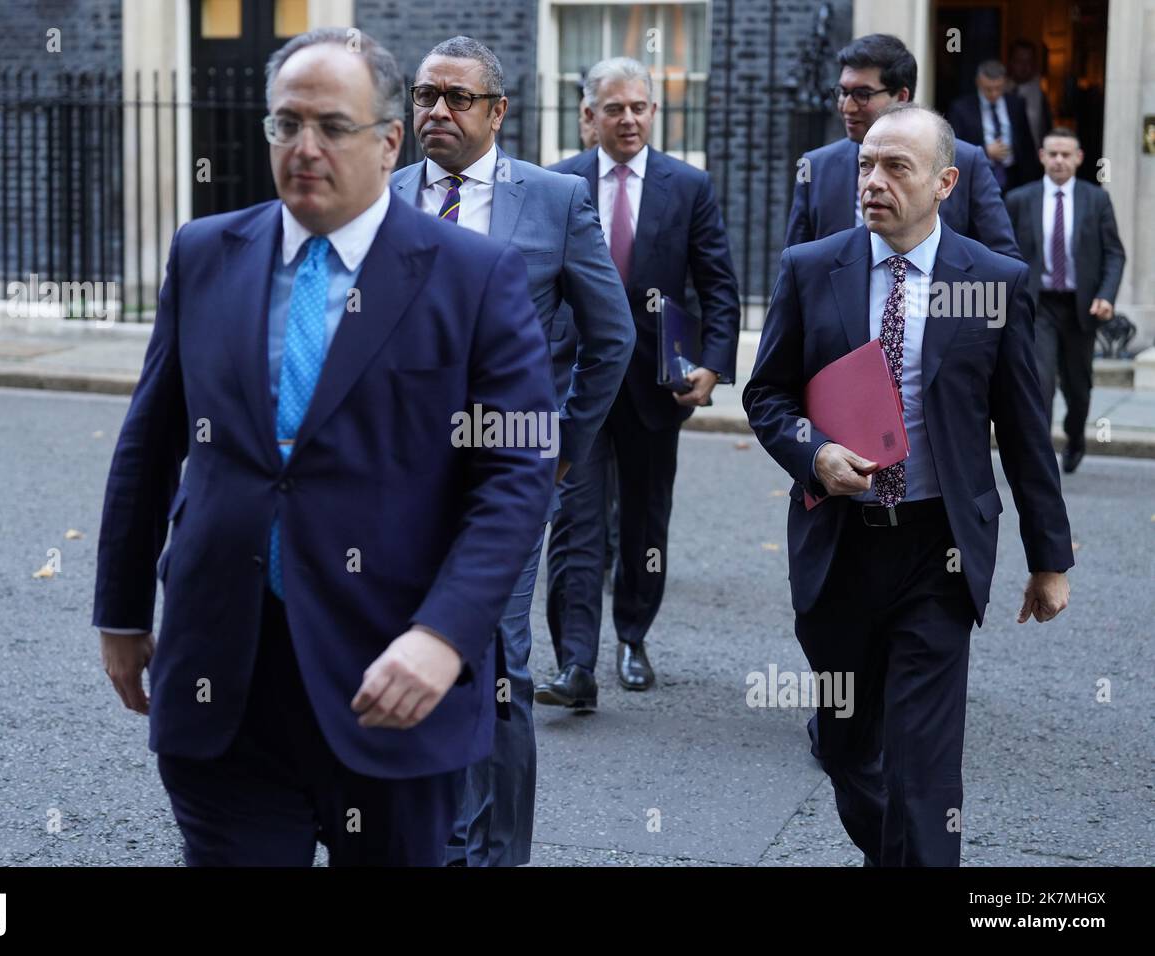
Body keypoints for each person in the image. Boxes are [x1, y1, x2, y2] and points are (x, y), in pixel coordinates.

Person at [93, 27, 557, 867]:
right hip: (224, 670)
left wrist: (444, 636)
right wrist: (121, 610)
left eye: (332, 127)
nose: (304, 148)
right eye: (285, 124)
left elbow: (515, 477)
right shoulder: (205, 254)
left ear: (388, 141)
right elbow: (150, 441)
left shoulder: (472, 276)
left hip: (391, 675)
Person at [743, 103, 1074, 866]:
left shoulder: (992, 282)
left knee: (924, 772)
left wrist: (1049, 559)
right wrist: (815, 453)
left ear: (944, 183)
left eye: (897, 167)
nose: (874, 181)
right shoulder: (811, 267)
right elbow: (767, 397)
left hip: (938, 550)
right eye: (866, 164)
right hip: (840, 547)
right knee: (848, 749)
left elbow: (1025, 430)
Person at [390, 35, 634, 867]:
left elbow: (612, 337)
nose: (437, 112)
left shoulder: (555, 200)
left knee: (495, 656)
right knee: (398, 642)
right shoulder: (379, 197)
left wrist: (562, 446)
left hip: (504, 473)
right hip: (391, 478)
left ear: (498, 111)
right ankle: (421, 835)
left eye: (458, 98)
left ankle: (495, 854)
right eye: (426, 95)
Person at [538, 56, 740, 706]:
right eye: (614, 108)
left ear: (654, 112)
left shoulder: (689, 187)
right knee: (574, 520)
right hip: (575, 381)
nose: (629, 119)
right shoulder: (556, 184)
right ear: (588, 115)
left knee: (645, 522)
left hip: (659, 382)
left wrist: (712, 364)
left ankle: (632, 636)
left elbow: (718, 286)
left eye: (640, 107)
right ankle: (575, 666)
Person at [786, 34, 1018, 259]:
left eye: (861, 94)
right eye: (843, 92)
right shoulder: (815, 166)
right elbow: (796, 268)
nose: (847, 106)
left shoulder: (966, 160)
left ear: (902, 96)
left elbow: (1004, 263)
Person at [1005, 127, 1126, 474]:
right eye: (1052, 154)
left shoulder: (1096, 199)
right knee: (1040, 383)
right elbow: (1003, 251)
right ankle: (1040, 458)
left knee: (1079, 388)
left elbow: (1114, 254)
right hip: (1038, 305)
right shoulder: (1019, 199)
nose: (1059, 160)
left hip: (1081, 307)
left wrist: (1106, 295)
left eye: (1066, 154)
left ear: (1078, 158)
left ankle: (1075, 438)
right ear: (1042, 156)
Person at [947, 60, 1041, 193]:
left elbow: (1027, 143)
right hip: (977, 175)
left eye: (998, 88)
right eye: (988, 89)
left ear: (1005, 83)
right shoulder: (961, 109)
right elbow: (955, 146)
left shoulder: (1016, 104)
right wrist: (985, 151)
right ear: (978, 82)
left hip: (1013, 176)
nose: (994, 94)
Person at [1008, 39, 1053, 151]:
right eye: (1019, 61)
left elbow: (1046, 130)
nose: (1024, 66)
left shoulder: (1040, 95)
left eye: (1028, 61)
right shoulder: (997, 90)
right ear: (1011, 62)